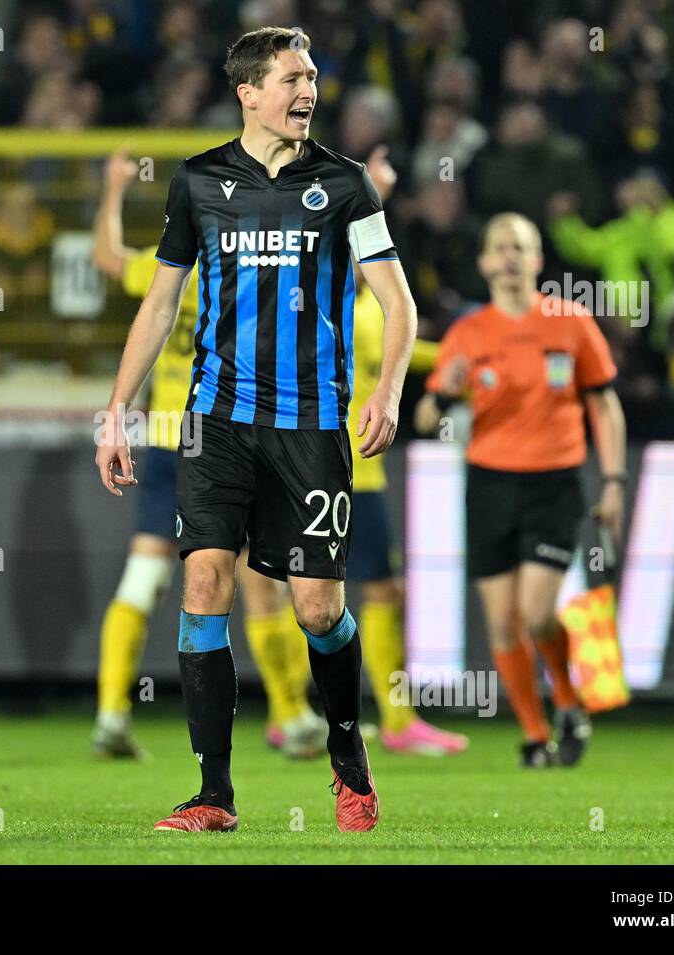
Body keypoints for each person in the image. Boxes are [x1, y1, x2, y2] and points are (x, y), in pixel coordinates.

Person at [95, 27, 418, 833]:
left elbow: (398, 301)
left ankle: (349, 760)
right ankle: (214, 793)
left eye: (311, 78)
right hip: (214, 423)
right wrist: (117, 409)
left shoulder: (344, 185)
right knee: (204, 585)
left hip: (310, 424)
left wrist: (387, 388)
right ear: (248, 91)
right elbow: (161, 301)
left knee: (316, 610)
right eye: (291, 78)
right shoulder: (200, 182)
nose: (307, 91)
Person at [90, 148, 324, 761]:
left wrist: (113, 190)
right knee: (259, 585)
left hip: (172, 437)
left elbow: (105, 259)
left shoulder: (165, 269)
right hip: (222, 435)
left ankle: (112, 712)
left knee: (148, 578)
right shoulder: (238, 266)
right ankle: (291, 714)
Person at [415, 212, 626, 768]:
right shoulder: (468, 332)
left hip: (556, 481)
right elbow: (422, 414)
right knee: (502, 621)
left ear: (537, 261)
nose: (509, 256)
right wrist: (444, 397)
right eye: (499, 246)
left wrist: (613, 480)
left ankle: (567, 696)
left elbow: (604, 404)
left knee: (536, 613)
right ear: (484, 261)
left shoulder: (571, 321)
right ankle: (535, 736)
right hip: (490, 482)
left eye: (521, 247)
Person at [348, 145, 468, 757]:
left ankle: (392, 720)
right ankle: (301, 715)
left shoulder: (372, 303)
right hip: (320, 456)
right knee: (305, 591)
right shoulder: (333, 292)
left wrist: (454, 359)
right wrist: (377, 195)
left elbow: (401, 346)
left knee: (375, 588)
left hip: (361, 464)